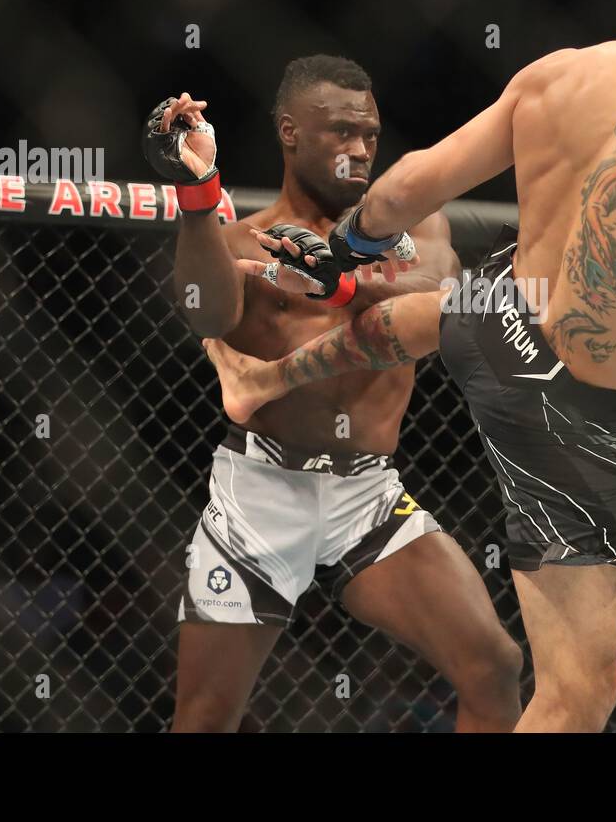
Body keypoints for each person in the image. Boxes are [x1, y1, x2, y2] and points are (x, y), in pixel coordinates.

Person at [214, 0, 616, 732]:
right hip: (569, 407)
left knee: (456, 303)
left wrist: (348, 255)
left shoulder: (561, 74)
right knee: (581, 690)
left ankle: (267, 376)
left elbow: (406, 188)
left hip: (498, 319)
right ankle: (267, 377)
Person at [144, 54, 523, 733]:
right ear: (290, 132)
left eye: (370, 134)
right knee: (202, 720)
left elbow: (446, 305)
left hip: (367, 497)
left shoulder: (416, 227)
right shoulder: (242, 237)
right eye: (340, 132)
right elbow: (203, 309)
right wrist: (197, 190)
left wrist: (342, 282)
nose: (359, 149)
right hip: (261, 493)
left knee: (493, 664)